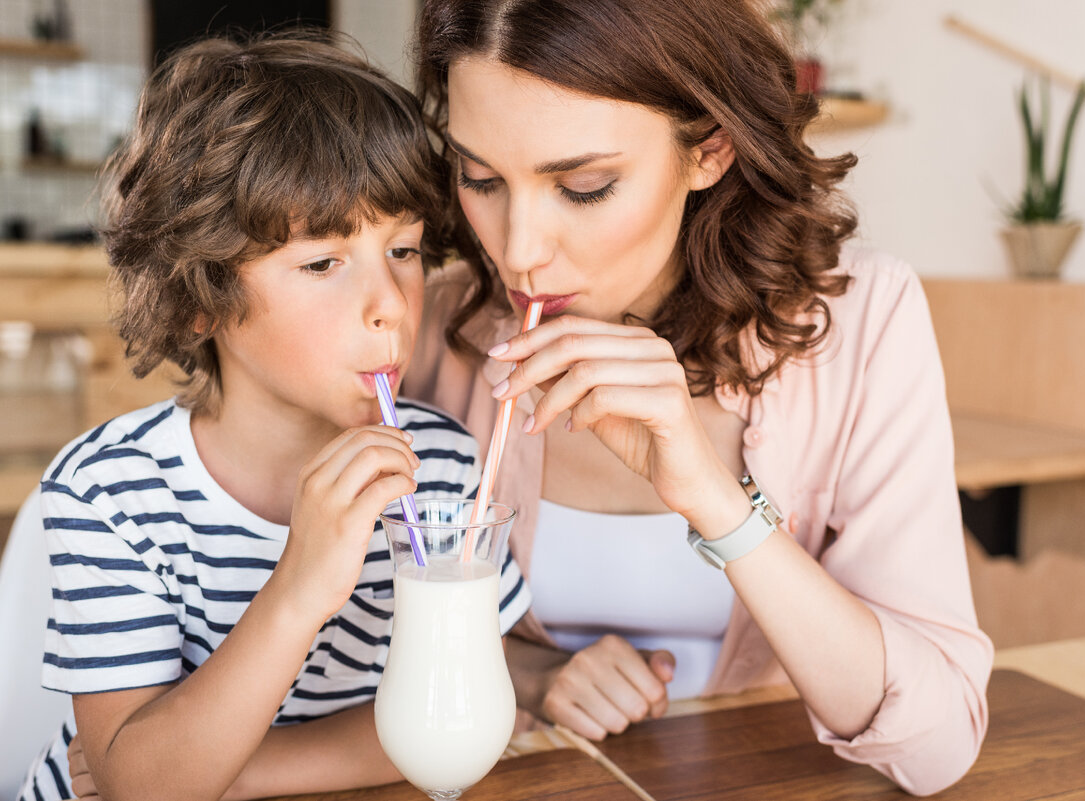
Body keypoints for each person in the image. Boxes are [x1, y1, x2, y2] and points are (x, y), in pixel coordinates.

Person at [406, 0, 993, 795]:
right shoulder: (430, 329)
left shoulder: (862, 319)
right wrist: (535, 672)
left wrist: (716, 501)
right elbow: (353, 638)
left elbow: (937, 743)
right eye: (479, 177)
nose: (519, 251)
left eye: (582, 186)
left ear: (709, 148)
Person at [18, 31, 530, 801]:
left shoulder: (443, 466)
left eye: (406, 250)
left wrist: (233, 774)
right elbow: (143, 785)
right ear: (199, 300)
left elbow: (450, 716)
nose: (390, 305)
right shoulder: (113, 494)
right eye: (323, 263)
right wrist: (299, 587)